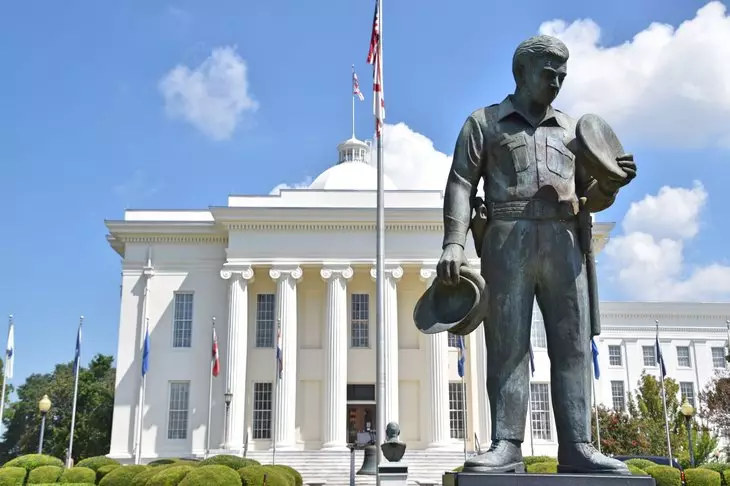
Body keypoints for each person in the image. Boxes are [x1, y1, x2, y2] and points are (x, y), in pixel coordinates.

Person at [437, 34, 636, 474]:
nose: (558, 82)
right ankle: (506, 443)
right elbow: (461, 183)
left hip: (564, 241)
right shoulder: (484, 123)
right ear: (521, 73)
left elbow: (591, 196)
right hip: (507, 239)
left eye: (563, 74)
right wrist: (454, 240)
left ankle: (579, 446)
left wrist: (610, 183)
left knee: (572, 346)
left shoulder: (572, 130)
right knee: (508, 345)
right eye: (549, 73)